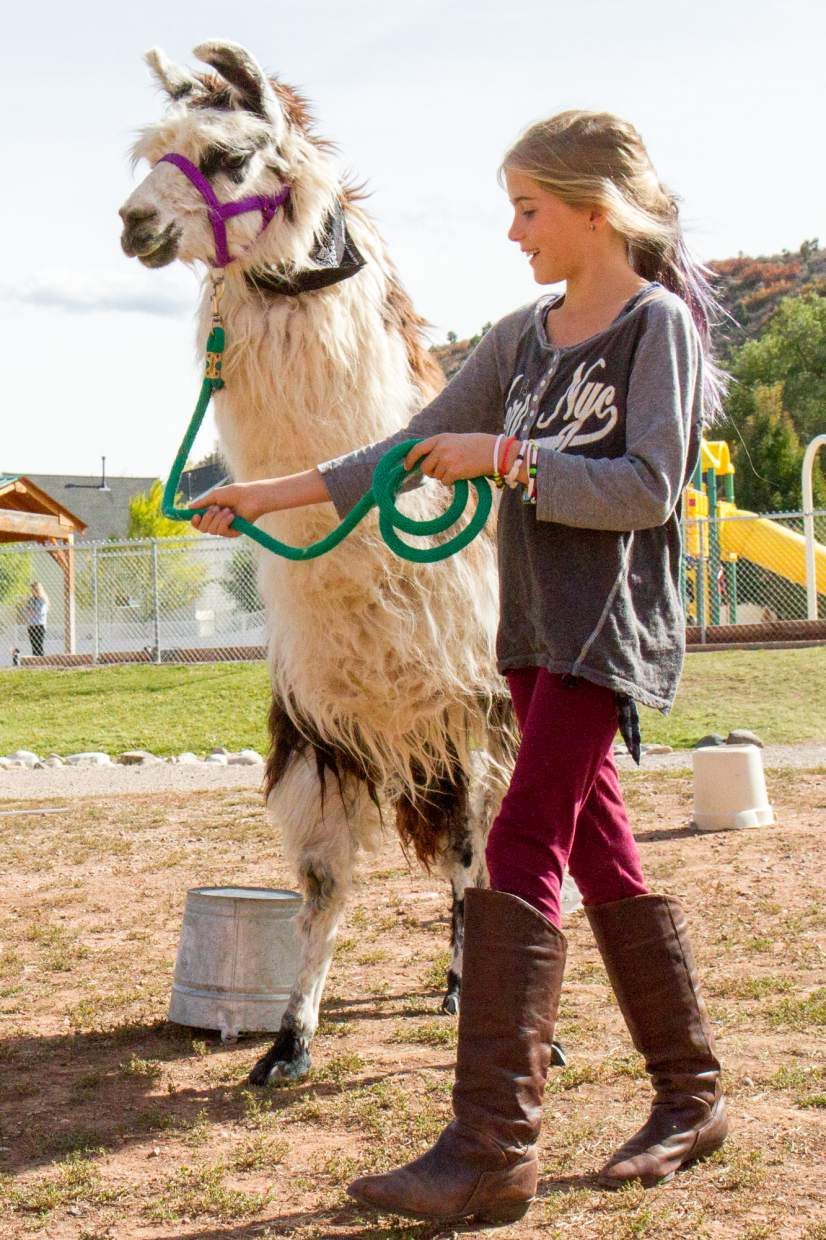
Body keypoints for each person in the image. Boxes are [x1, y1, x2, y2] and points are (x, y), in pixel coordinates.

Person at [192, 110, 730, 1224]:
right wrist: (266, 495)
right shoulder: (524, 337)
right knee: (604, 858)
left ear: (596, 211)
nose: (511, 230)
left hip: (601, 631)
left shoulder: (652, 328)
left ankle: (490, 1144)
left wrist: (511, 459)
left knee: (523, 840)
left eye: (529, 209)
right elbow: (399, 447)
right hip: (528, 635)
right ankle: (690, 1094)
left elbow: (647, 488)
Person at [24, 582, 49, 657]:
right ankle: (34, 662)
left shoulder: (43, 599)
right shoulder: (30, 599)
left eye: (34, 589)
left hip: (39, 625)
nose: (32, 591)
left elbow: (41, 612)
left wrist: (32, 610)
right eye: (31, 589)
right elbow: (27, 610)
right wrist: (32, 611)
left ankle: (41, 661)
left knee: (39, 644)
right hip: (31, 624)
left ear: (38, 589)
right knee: (33, 645)